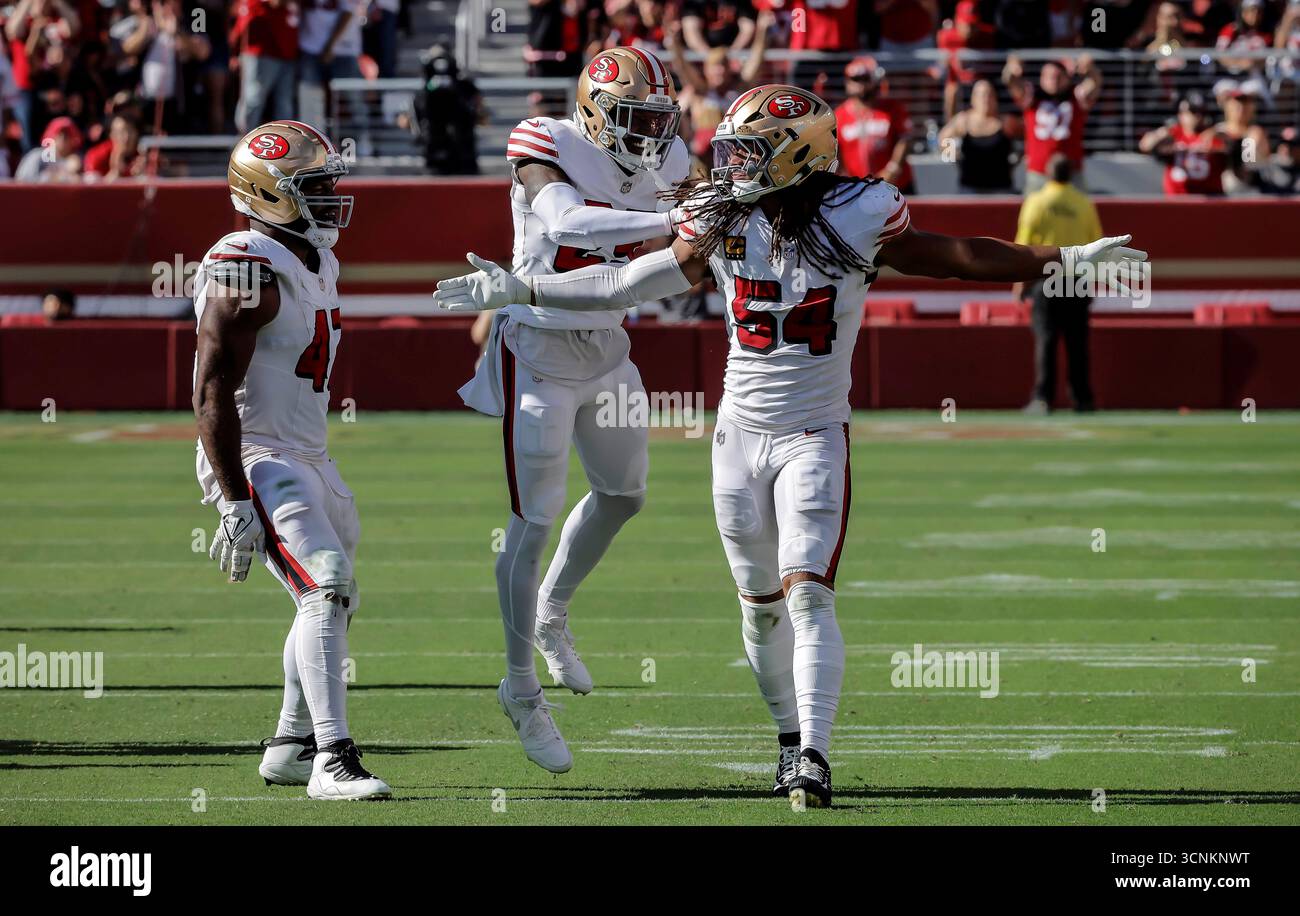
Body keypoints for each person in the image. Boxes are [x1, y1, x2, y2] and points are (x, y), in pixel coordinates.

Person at [434, 84, 1146, 808]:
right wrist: (524, 291)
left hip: (812, 435)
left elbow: (956, 254)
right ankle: (786, 741)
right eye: (732, 149)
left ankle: (814, 754)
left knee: (809, 597)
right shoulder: (719, 215)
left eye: (752, 151)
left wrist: (1063, 261)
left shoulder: (860, 210)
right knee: (759, 608)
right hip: (735, 440)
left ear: (798, 154)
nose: (733, 163)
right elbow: (623, 282)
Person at [453, 48, 688, 775]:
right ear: (592, 110)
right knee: (533, 520)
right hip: (539, 353)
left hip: (609, 350)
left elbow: (703, 201)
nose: (650, 134)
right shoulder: (543, 139)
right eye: (634, 118)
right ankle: (521, 688)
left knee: (624, 493)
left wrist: (707, 201)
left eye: (658, 118)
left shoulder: (671, 156)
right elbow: (569, 222)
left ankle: (553, 612)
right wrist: (676, 213)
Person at [192, 119, 390, 800]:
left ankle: (289, 743)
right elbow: (212, 388)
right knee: (324, 584)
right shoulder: (246, 265)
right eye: (315, 185)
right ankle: (333, 760)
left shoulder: (313, 257)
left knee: (334, 601)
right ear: (268, 193)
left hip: (306, 452)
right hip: (256, 454)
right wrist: (233, 498)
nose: (332, 196)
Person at [1012, 154, 1104, 415]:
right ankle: (1083, 399)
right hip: (1077, 279)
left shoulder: (1037, 202)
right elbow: (1095, 243)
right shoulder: (1084, 203)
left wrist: (1020, 283)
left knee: (1046, 341)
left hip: (1047, 278)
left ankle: (1042, 398)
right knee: (1078, 344)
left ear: (1048, 174)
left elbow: (1024, 245)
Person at [1003, 54, 1101, 192]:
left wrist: (1091, 69)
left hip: (1071, 174)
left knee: (1076, 211)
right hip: (1039, 174)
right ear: (1041, 78)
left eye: (1058, 76)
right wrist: (1011, 68)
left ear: (1067, 77)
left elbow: (1095, 83)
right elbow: (1011, 82)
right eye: (1049, 76)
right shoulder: (1032, 98)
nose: (1053, 80)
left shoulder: (1076, 97)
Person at [835, 56, 914, 193]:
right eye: (854, 79)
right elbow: (837, 152)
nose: (860, 84)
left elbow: (905, 138)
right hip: (859, 190)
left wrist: (892, 168)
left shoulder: (892, 108)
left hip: (896, 186)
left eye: (864, 79)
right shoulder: (839, 115)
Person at [1139, 91, 1226, 195]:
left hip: (1207, 199)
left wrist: (1209, 148)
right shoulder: (1173, 133)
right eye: (1192, 111)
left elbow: (1227, 151)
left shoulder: (1211, 135)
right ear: (1180, 114)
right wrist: (1162, 133)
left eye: (1201, 112)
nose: (1197, 116)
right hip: (1177, 199)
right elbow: (1145, 145)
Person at [231, 0, 300, 132]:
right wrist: (234, 52)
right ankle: (244, 139)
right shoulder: (254, 4)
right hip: (263, 54)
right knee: (254, 98)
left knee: (284, 102)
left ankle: (286, 142)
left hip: (288, 53)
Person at [938, 78, 1016, 193]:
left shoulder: (1005, 122)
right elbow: (943, 138)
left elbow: (1028, 139)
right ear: (973, 99)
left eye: (989, 94)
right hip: (970, 190)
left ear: (995, 98)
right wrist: (955, 159)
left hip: (1001, 189)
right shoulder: (963, 120)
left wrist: (1015, 165)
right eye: (981, 95)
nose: (985, 99)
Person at [13, 114, 81, 181]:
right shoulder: (38, 156)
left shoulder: (74, 160)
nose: (62, 139)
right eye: (59, 134)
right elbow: (22, 181)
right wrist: (59, 177)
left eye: (67, 135)